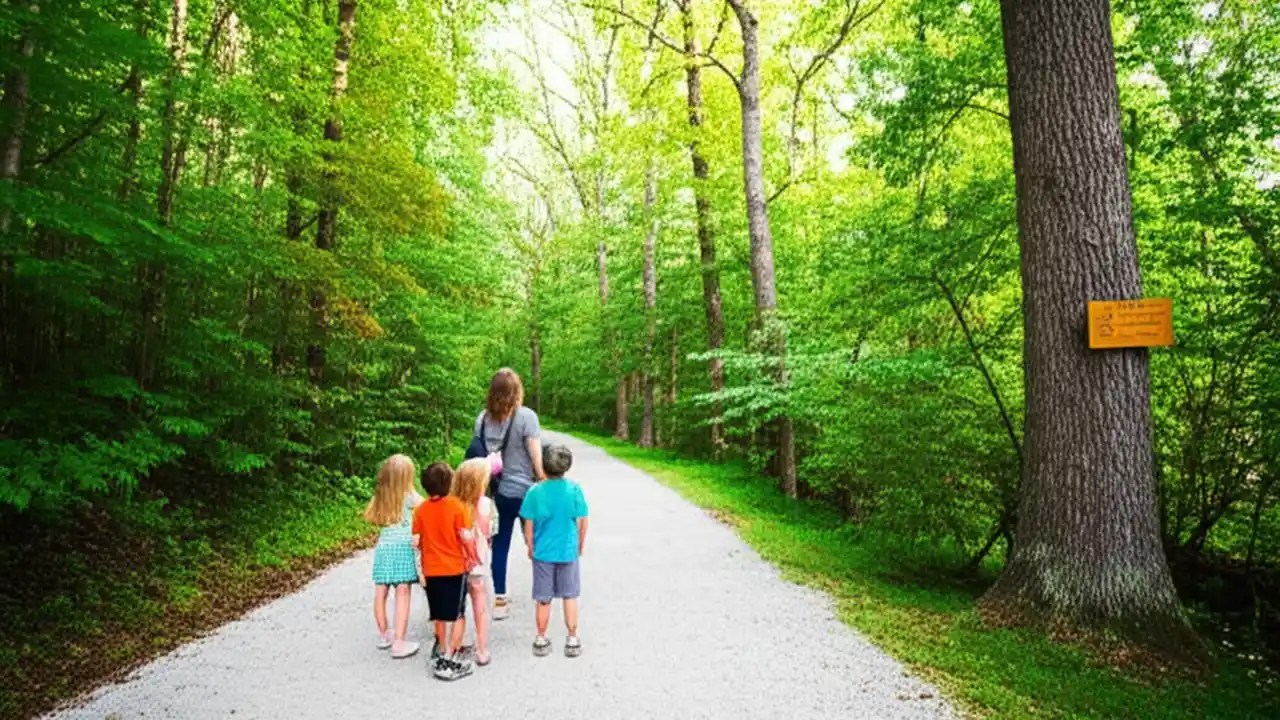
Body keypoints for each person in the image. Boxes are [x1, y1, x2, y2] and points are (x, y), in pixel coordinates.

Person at [474, 368, 546, 621]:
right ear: (517, 391)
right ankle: (543, 594)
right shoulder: (527, 417)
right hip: (527, 492)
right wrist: (545, 482)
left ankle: (501, 600)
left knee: (501, 544)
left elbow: (479, 457)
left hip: (498, 493)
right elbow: (536, 456)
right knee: (536, 541)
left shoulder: (482, 419)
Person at [412, 461, 479, 681]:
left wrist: (420, 568)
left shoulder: (420, 510)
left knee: (439, 613)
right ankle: (451, 656)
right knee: (457, 613)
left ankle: (441, 650)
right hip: (454, 568)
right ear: (449, 483)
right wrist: (472, 557)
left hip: (432, 570)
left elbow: (416, 541)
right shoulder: (456, 507)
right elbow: (466, 537)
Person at [520, 443, 588, 658]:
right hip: (567, 550)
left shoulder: (535, 491)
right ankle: (572, 637)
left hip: (543, 552)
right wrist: (580, 545)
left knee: (543, 596)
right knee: (570, 595)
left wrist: (530, 545)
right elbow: (582, 522)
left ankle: (541, 637)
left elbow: (528, 523)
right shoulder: (574, 489)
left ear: (544, 466)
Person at [363, 454, 423, 659]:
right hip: (403, 545)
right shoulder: (408, 496)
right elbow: (424, 505)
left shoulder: (381, 496)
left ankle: (384, 634)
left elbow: (370, 515)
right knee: (403, 591)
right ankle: (399, 642)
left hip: (384, 546)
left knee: (381, 591)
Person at [450, 458, 495, 667]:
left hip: (455, 563)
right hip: (478, 562)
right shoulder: (485, 504)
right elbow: (487, 532)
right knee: (480, 604)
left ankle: (454, 646)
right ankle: (482, 649)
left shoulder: (452, 504)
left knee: (457, 608)